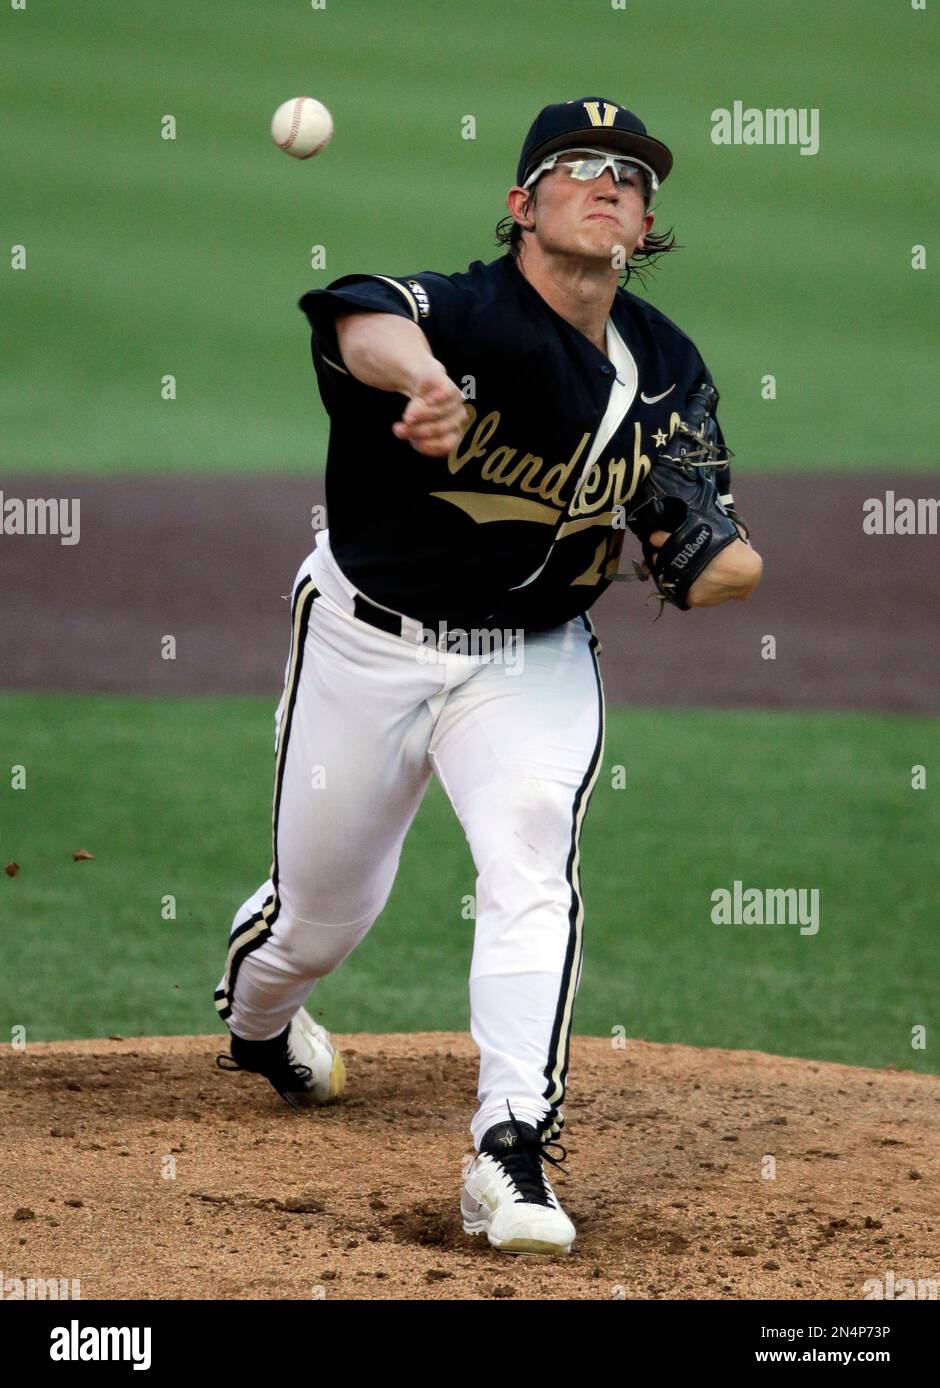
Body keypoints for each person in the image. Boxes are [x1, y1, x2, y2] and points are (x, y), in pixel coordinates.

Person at [214, 97, 762, 1257]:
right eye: (578, 166)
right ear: (523, 205)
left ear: (646, 223)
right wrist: (423, 382)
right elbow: (361, 316)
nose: (610, 183)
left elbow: (717, 555)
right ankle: (261, 1022)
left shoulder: (664, 370)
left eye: (632, 174)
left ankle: (508, 1149)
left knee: (530, 861)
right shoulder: (466, 312)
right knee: (316, 921)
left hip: (530, 658)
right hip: (368, 643)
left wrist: (701, 555)